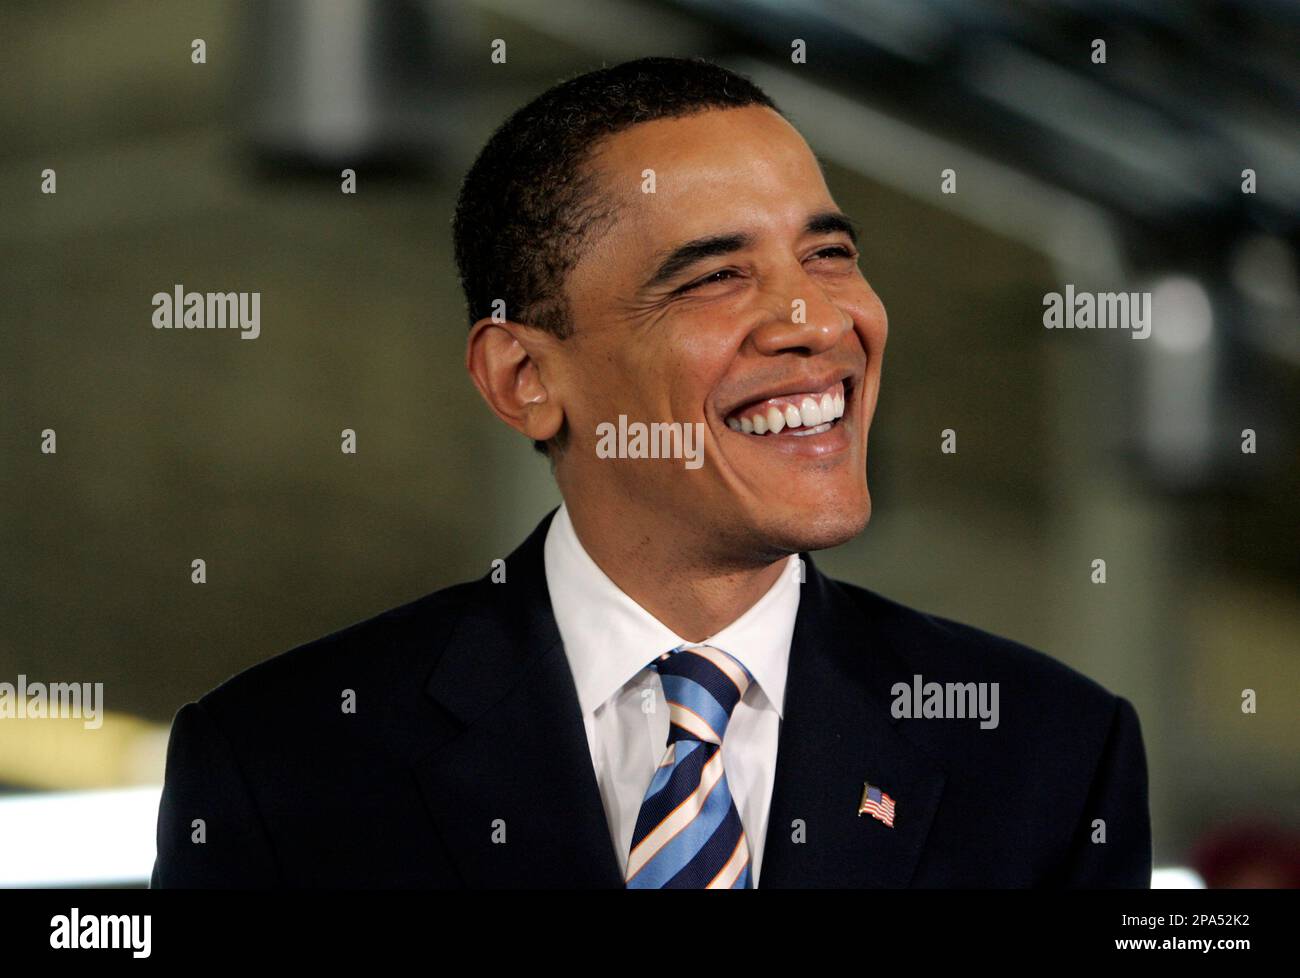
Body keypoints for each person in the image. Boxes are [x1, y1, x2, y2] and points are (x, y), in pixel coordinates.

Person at [152, 56, 1150, 888]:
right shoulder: (284, 763)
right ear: (525, 376)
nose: (815, 321)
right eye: (716, 275)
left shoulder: (1047, 752)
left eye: (831, 254)